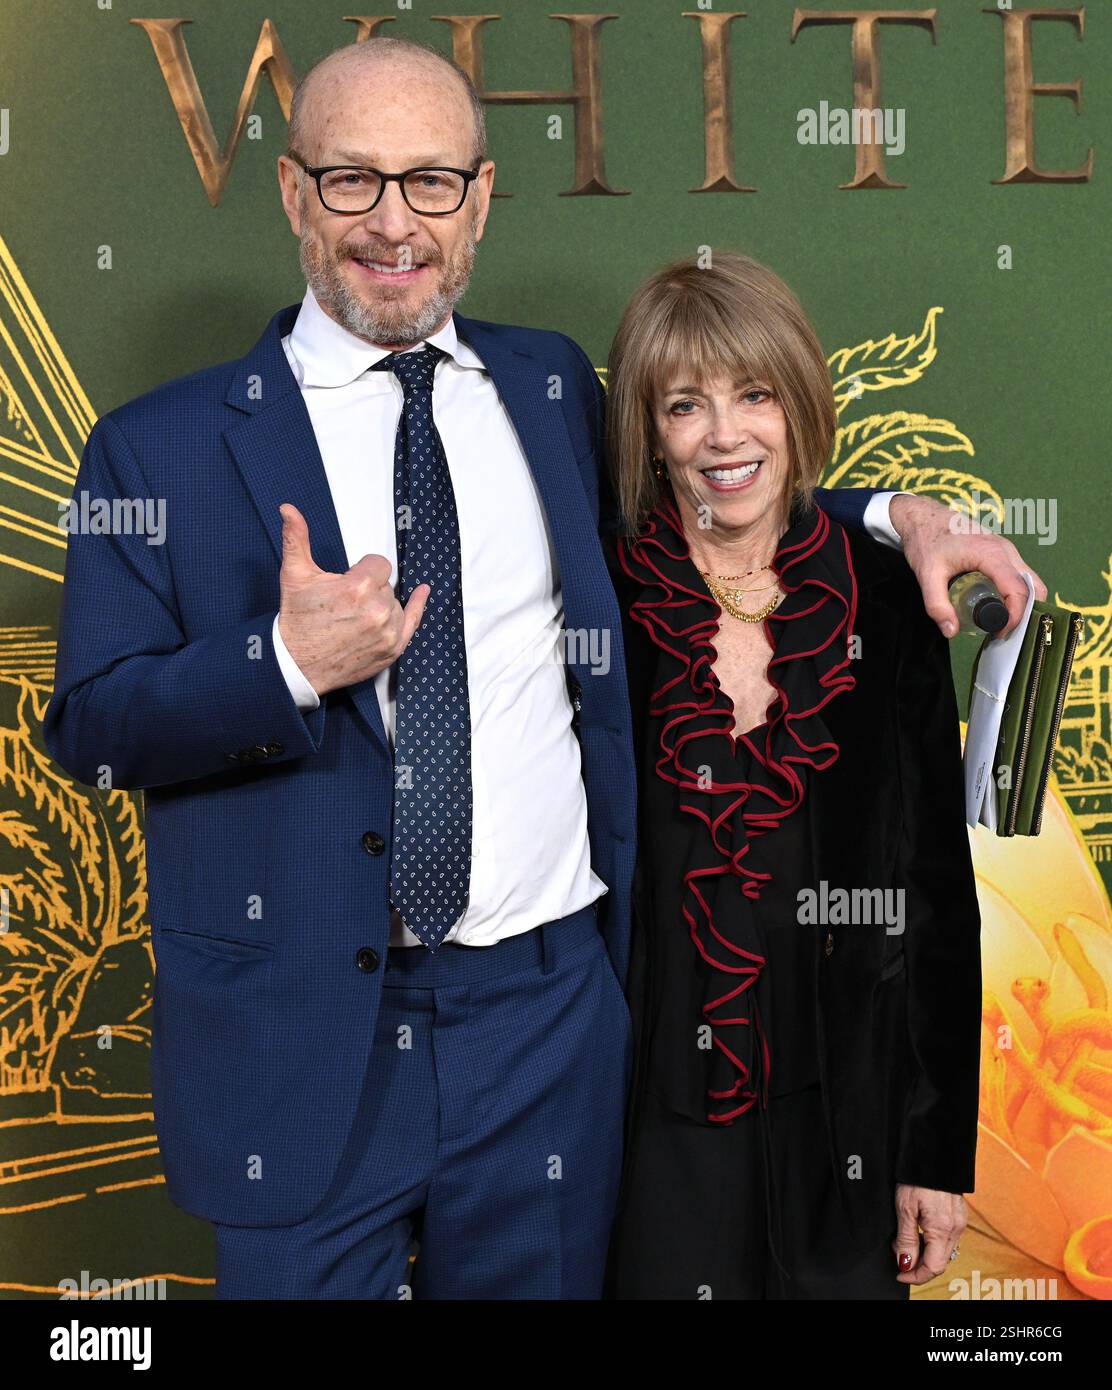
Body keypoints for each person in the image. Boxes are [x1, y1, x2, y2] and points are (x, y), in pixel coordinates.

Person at [44, 36, 1038, 1300]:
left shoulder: (548, 387)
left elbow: (719, 491)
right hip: (300, 1041)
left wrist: (894, 514)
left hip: (547, 1024)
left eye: (431, 182)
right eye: (352, 181)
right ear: (293, 193)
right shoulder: (158, 449)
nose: (394, 222)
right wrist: (282, 661)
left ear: (481, 198)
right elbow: (93, 725)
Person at [602, 251, 983, 1300]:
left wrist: (930, 1146)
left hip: (844, 1122)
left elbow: (932, 891)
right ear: (649, 427)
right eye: (685, 404)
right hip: (648, 1119)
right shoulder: (596, 595)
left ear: (798, 400)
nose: (725, 435)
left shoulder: (885, 594)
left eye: (754, 394)